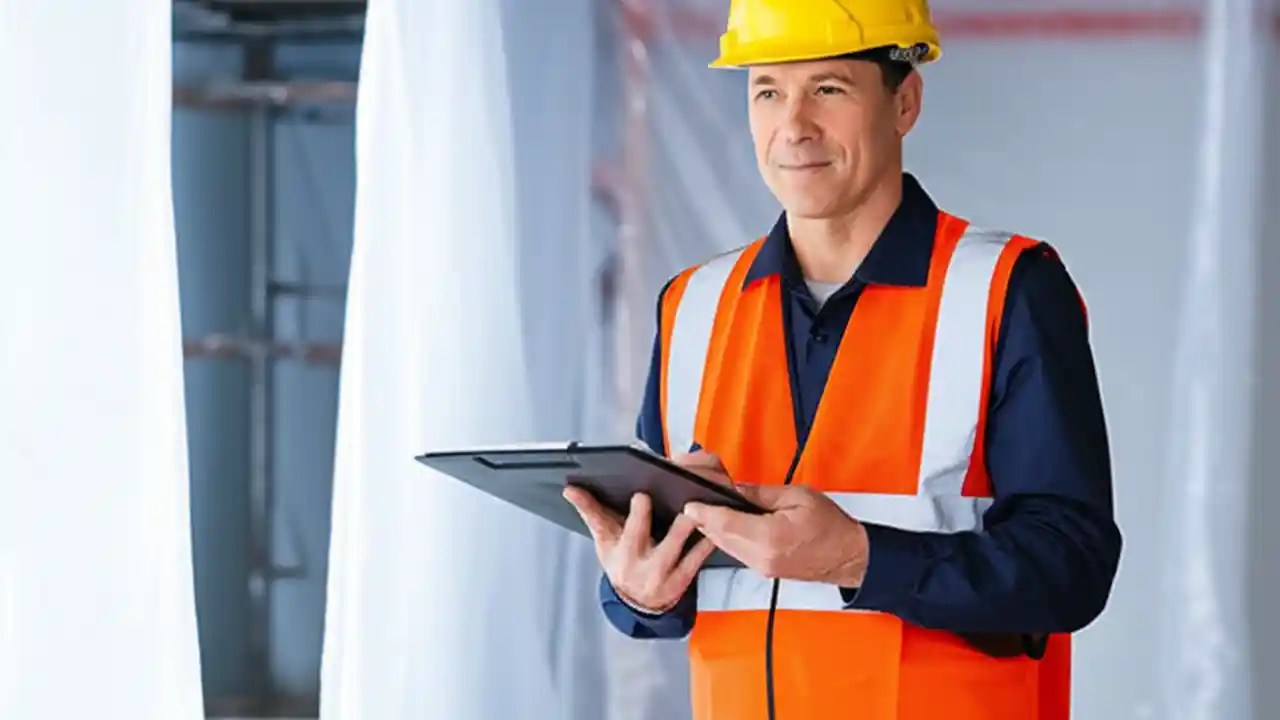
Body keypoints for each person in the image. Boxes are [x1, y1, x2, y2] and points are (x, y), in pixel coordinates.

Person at [563, 1, 1122, 718]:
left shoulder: (1007, 290)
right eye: (767, 91)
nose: (793, 127)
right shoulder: (692, 307)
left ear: (905, 101)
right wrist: (637, 589)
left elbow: (1071, 568)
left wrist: (859, 557)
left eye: (829, 89)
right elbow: (665, 585)